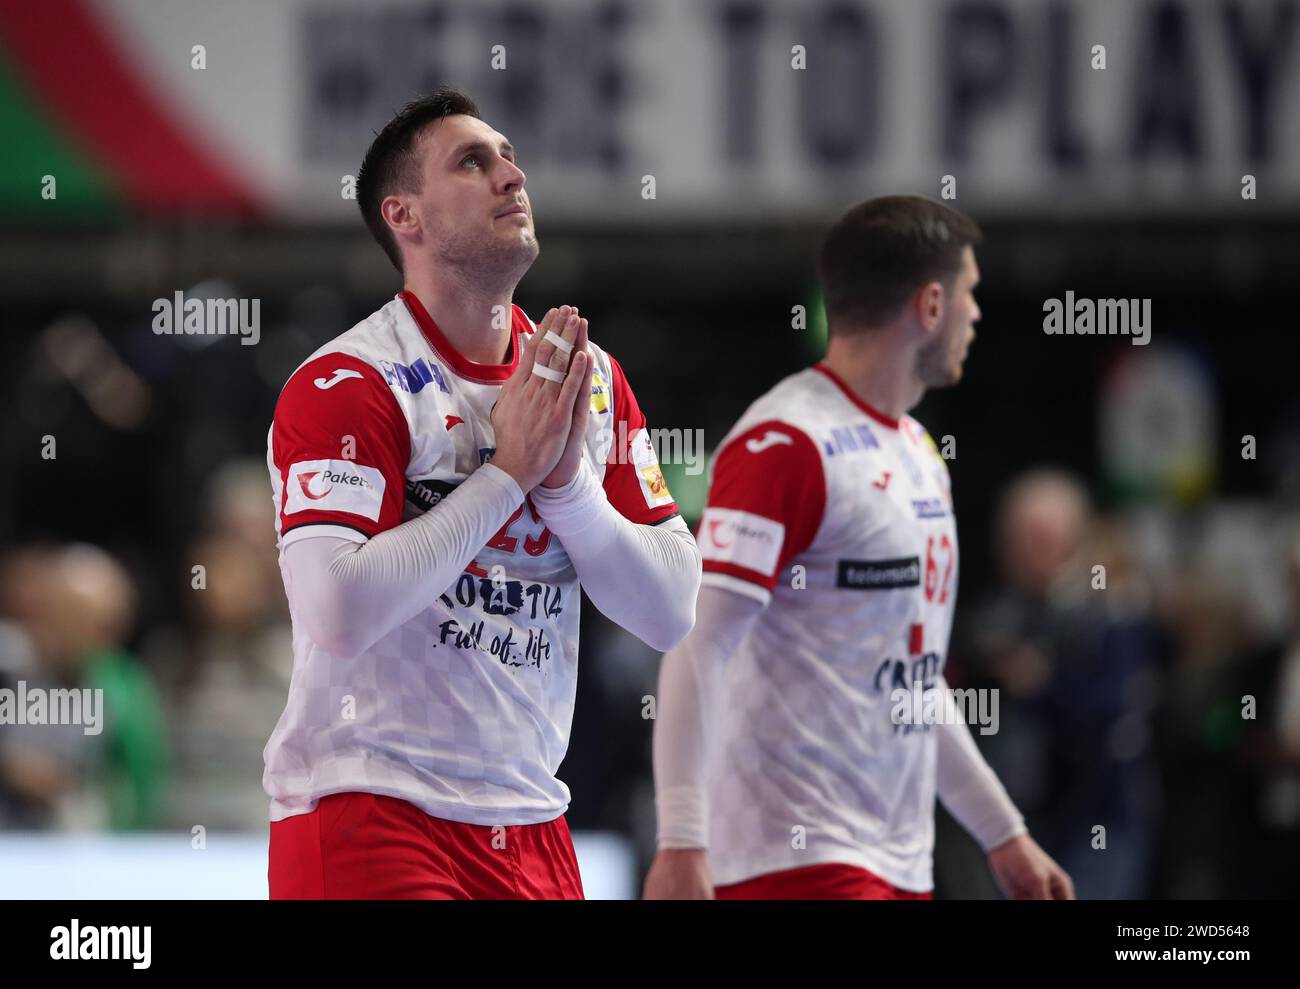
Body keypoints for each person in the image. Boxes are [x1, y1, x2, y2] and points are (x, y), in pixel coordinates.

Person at [264, 87, 701, 899]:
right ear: (406, 217)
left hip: (532, 815)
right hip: (369, 804)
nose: (511, 174)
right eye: (473, 161)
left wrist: (565, 486)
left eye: (508, 156)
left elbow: (671, 608)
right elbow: (339, 612)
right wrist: (507, 476)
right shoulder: (347, 381)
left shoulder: (588, 380)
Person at [645, 196, 1073, 900]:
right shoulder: (784, 443)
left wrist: (1004, 833)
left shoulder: (918, 452)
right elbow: (696, 641)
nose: (977, 315)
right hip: (793, 859)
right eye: (969, 294)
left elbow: (913, 680)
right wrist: (682, 839)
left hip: (899, 860)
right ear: (930, 305)